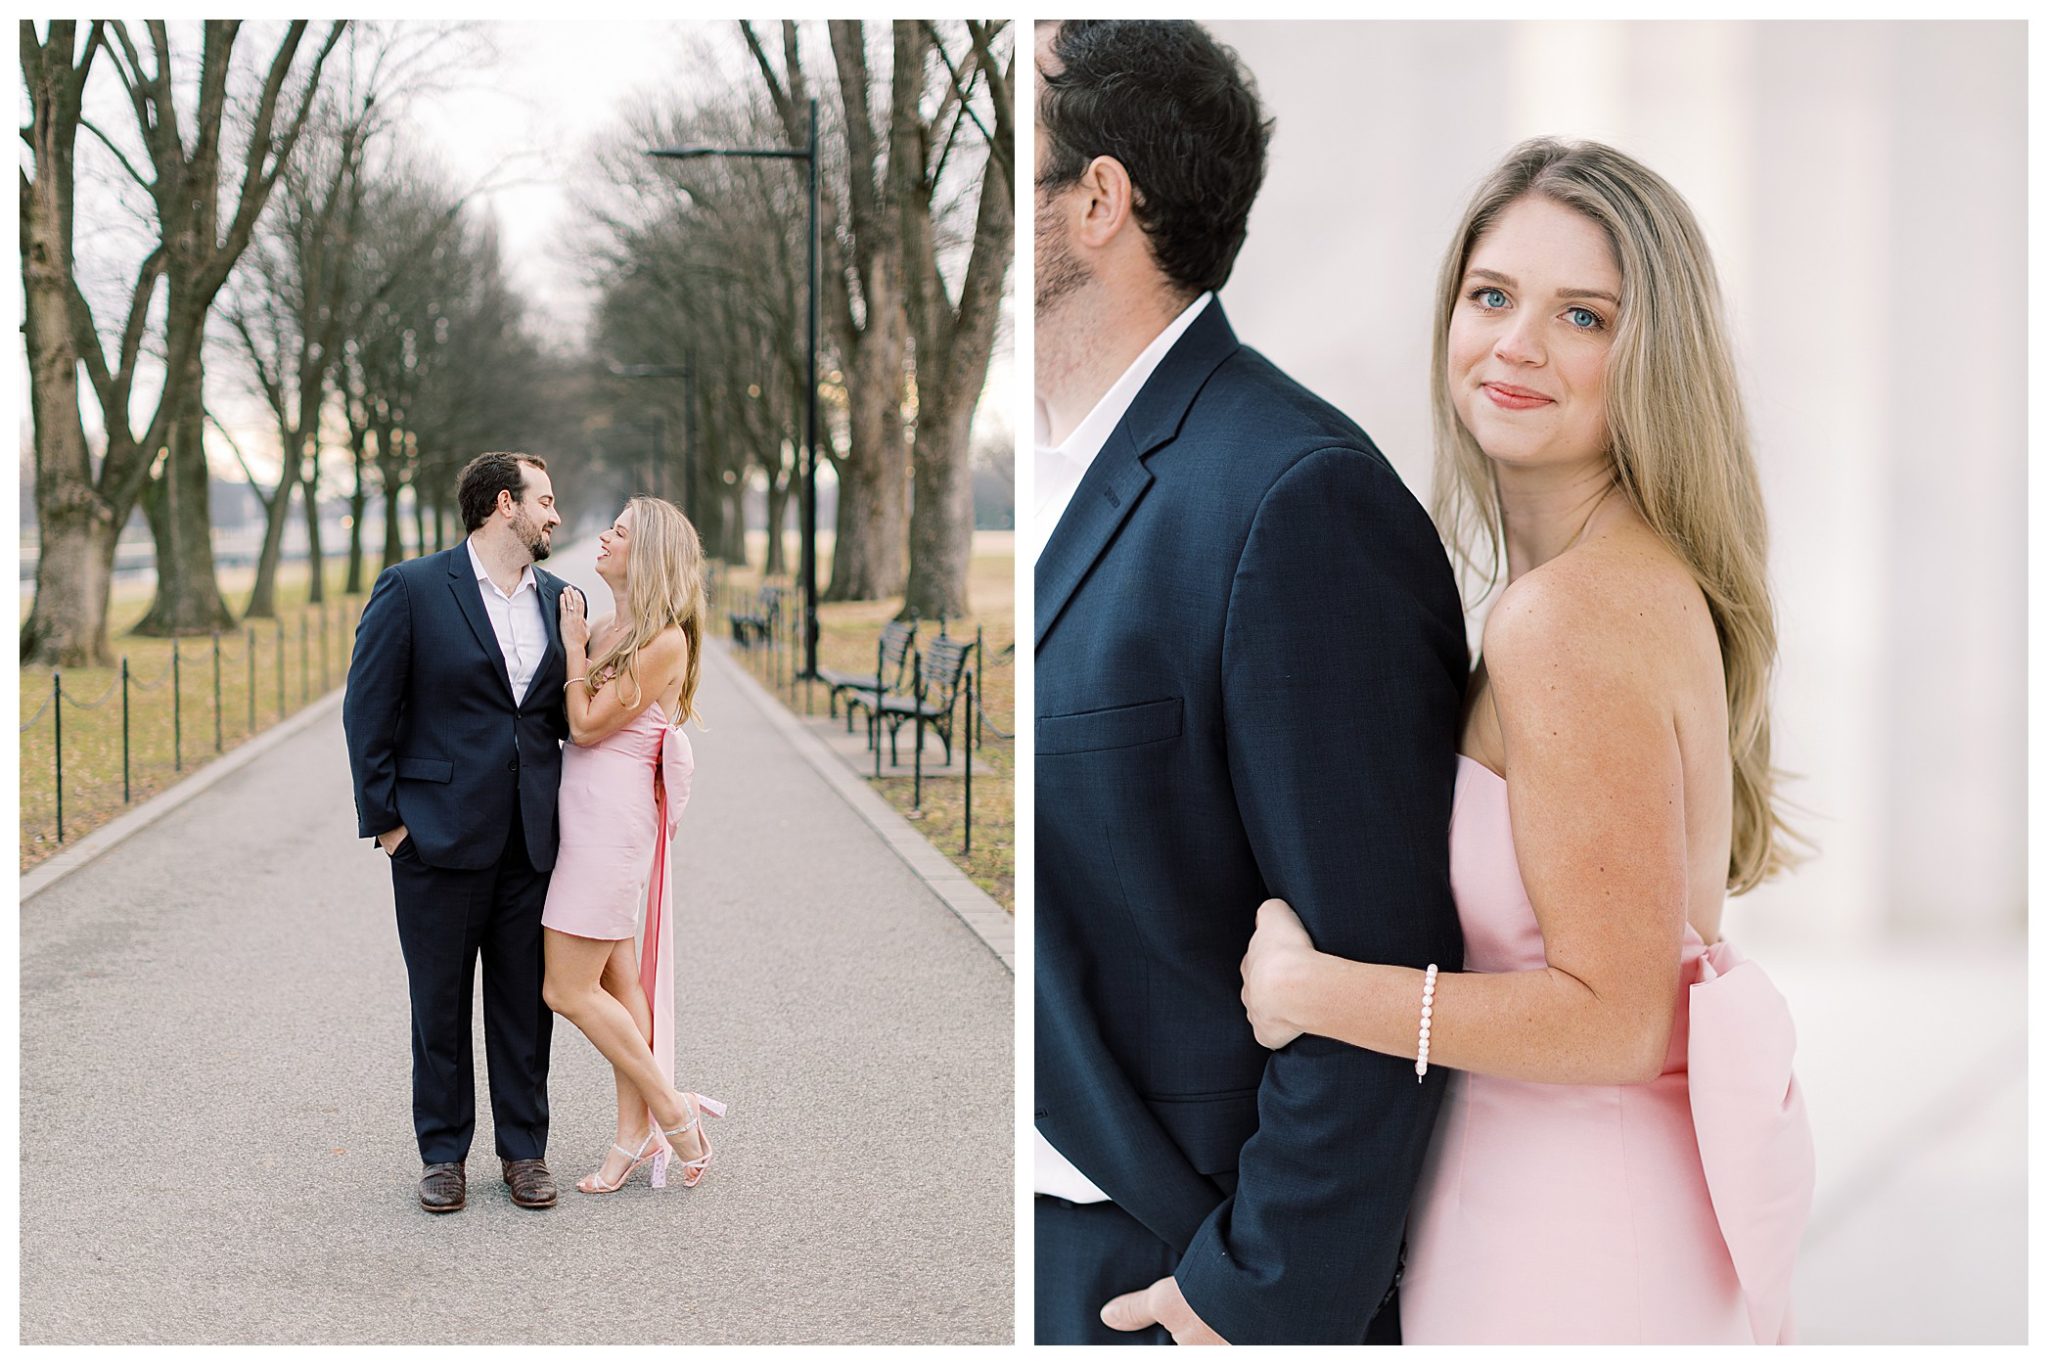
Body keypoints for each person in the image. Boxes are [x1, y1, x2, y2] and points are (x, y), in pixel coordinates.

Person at [1239, 138, 1816, 1344]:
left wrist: (1316, 992)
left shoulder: (1562, 618)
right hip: (1590, 1215)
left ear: (1652, 354)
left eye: (1582, 317)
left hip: (1566, 1241)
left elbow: (1616, 1018)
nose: (1514, 343)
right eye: (1491, 295)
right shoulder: (1617, 581)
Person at [1032, 20, 1467, 1345]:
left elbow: (1382, 958)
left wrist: (1255, 1297)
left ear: (1098, 201)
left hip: (1155, 1275)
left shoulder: (1297, 497)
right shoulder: (1041, 475)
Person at [343, 451, 569, 1214]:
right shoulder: (412, 588)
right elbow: (367, 711)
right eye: (545, 500)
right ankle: (443, 1152)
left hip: (530, 842)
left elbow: (561, 719)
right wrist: (390, 825)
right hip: (435, 840)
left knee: (522, 1006)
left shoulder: (561, 599)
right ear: (505, 504)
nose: (555, 516)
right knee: (438, 1004)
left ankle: (524, 1151)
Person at [540, 496, 725, 1196]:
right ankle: (631, 1132)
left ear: (646, 552)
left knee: (566, 986)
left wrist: (573, 649)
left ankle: (674, 1113)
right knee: (621, 984)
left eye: (618, 531)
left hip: (608, 828)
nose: (605, 537)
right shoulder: (625, 625)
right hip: (585, 816)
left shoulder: (663, 638)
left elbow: (585, 725)